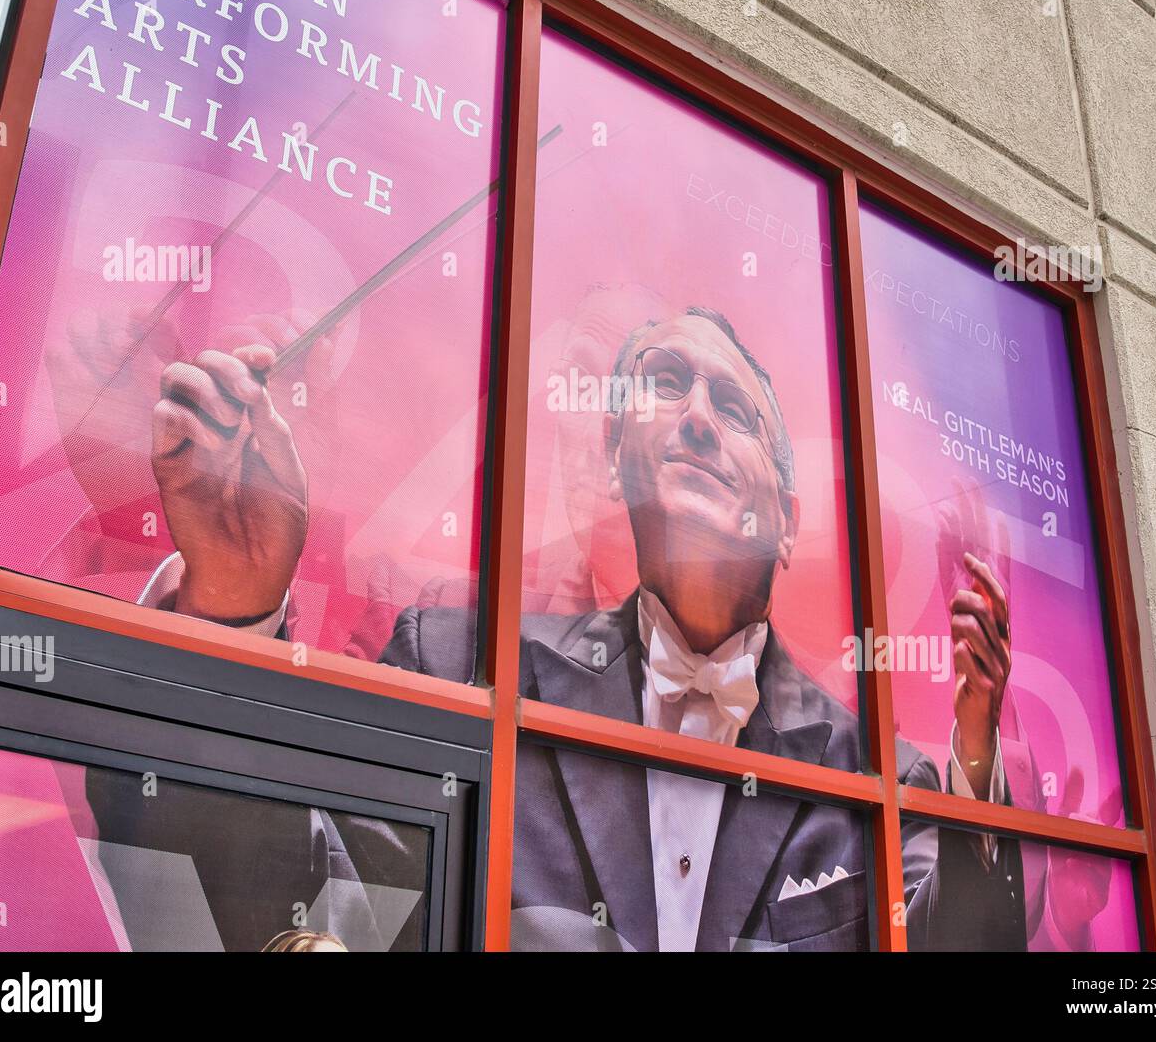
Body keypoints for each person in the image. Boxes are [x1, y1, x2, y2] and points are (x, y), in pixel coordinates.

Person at [140, 305, 1027, 951]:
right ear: (615, 466)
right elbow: (298, 903)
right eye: (668, 385)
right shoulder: (457, 666)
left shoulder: (874, 775)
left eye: (735, 408)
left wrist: (977, 762)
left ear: (787, 521)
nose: (695, 419)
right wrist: (231, 611)